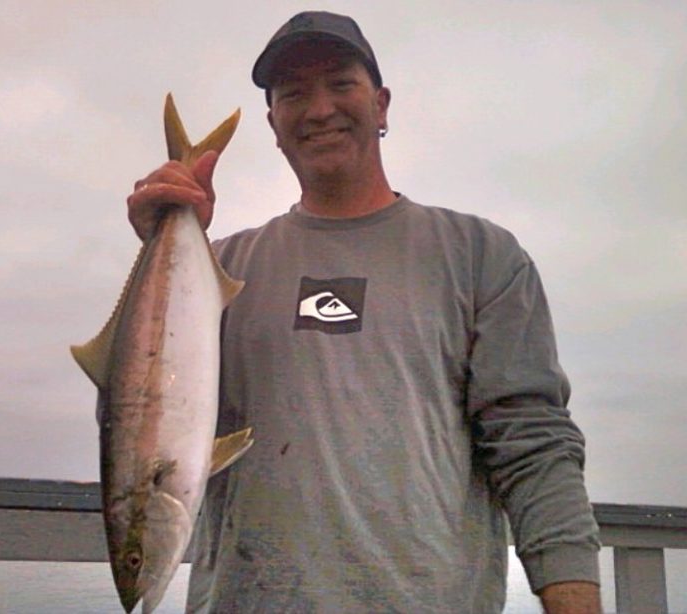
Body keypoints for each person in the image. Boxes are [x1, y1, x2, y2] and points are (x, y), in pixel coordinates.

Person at [127, 11, 602, 614]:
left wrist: (574, 595)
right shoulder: (218, 273)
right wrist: (164, 248)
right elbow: (143, 429)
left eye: (341, 83)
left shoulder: (482, 255)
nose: (320, 108)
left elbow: (533, 445)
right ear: (273, 126)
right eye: (293, 93)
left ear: (381, 105)